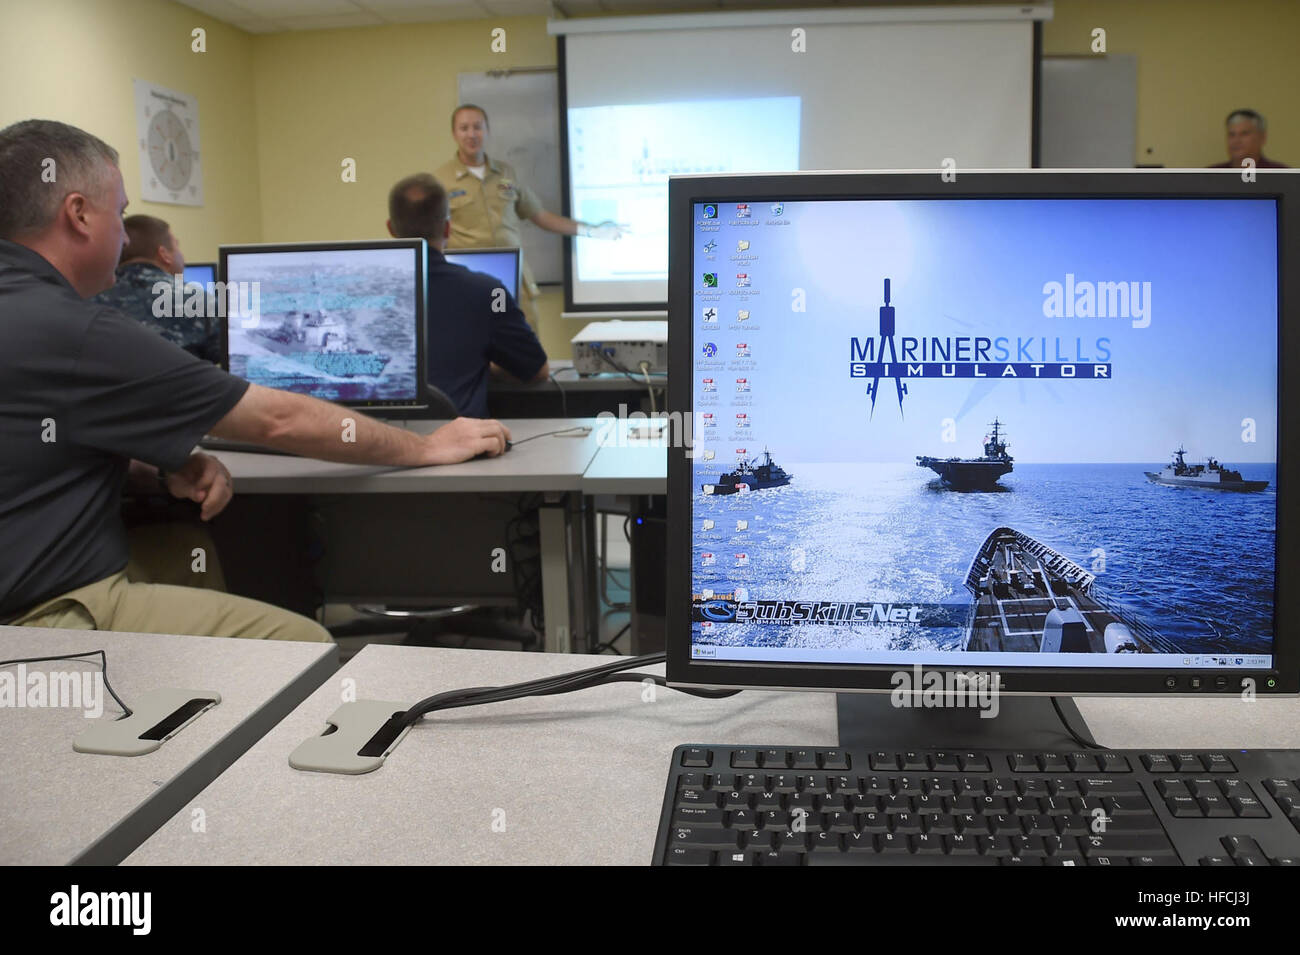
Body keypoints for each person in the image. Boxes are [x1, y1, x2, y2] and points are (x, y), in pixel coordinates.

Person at [0, 119, 510, 642]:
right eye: (122, 214)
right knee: (305, 646)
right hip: (40, 614)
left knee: (186, 551)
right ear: (79, 215)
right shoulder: (79, 331)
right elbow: (278, 418)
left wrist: (153, 473)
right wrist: (425, 447)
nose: (127, 236)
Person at [433, 104, 627, 315]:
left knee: (523, 342)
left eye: (477, 127)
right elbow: (432, 235)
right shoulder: (440, 180)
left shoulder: (506, 173)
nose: (471, 134)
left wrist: (590, 230)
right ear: (454, 134)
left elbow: (540, 216)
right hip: (469, 279)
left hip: (513, 278)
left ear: (487, 131)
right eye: (464, 128)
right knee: (474, 343)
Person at [387, 173, 548, 418]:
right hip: (460, 448)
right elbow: (537, 371)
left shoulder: (364, 293)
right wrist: (485, 366)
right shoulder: (490, 292)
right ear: (448, 228)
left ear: (390, 228)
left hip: (378, 448)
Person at [92, 214, 219, 363]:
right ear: (164, 254)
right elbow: (232, 362)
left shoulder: (88, 298)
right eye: (177, 245)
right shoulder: (199, 301)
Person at [1209, 109, 1289, 169]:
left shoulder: (1281, 174)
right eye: (1231, 134)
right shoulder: (1211, 175)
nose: (1236, 141)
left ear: (1262, 138)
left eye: (1244, 134)